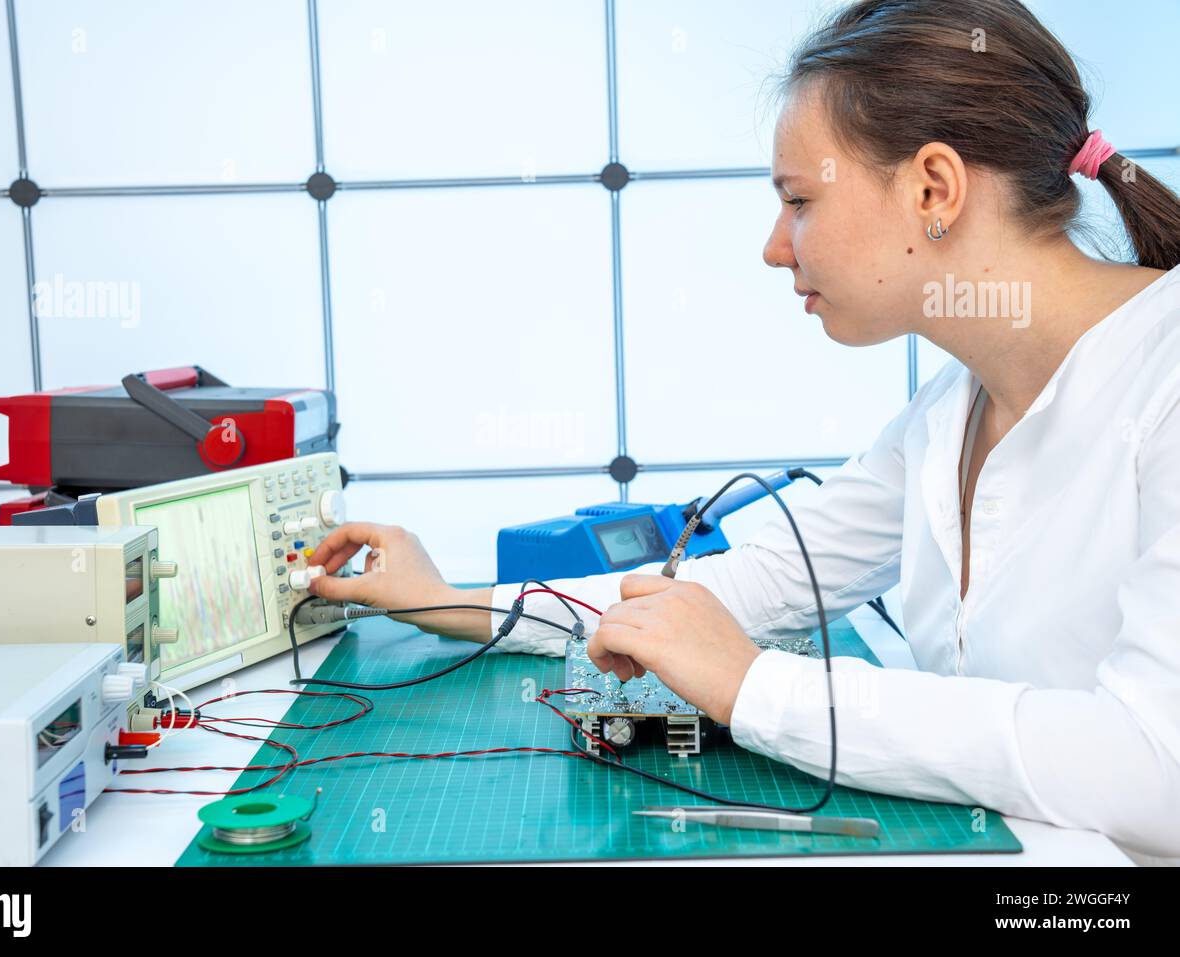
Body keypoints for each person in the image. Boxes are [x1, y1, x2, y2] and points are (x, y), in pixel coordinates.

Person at [305, 0, 1180, 863]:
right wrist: (451, 600)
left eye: (798, 199)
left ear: (934, 190)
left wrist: (756, 687)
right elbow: (737, 589)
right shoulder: (948, 415)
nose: (774, 246)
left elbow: (1154, 769)